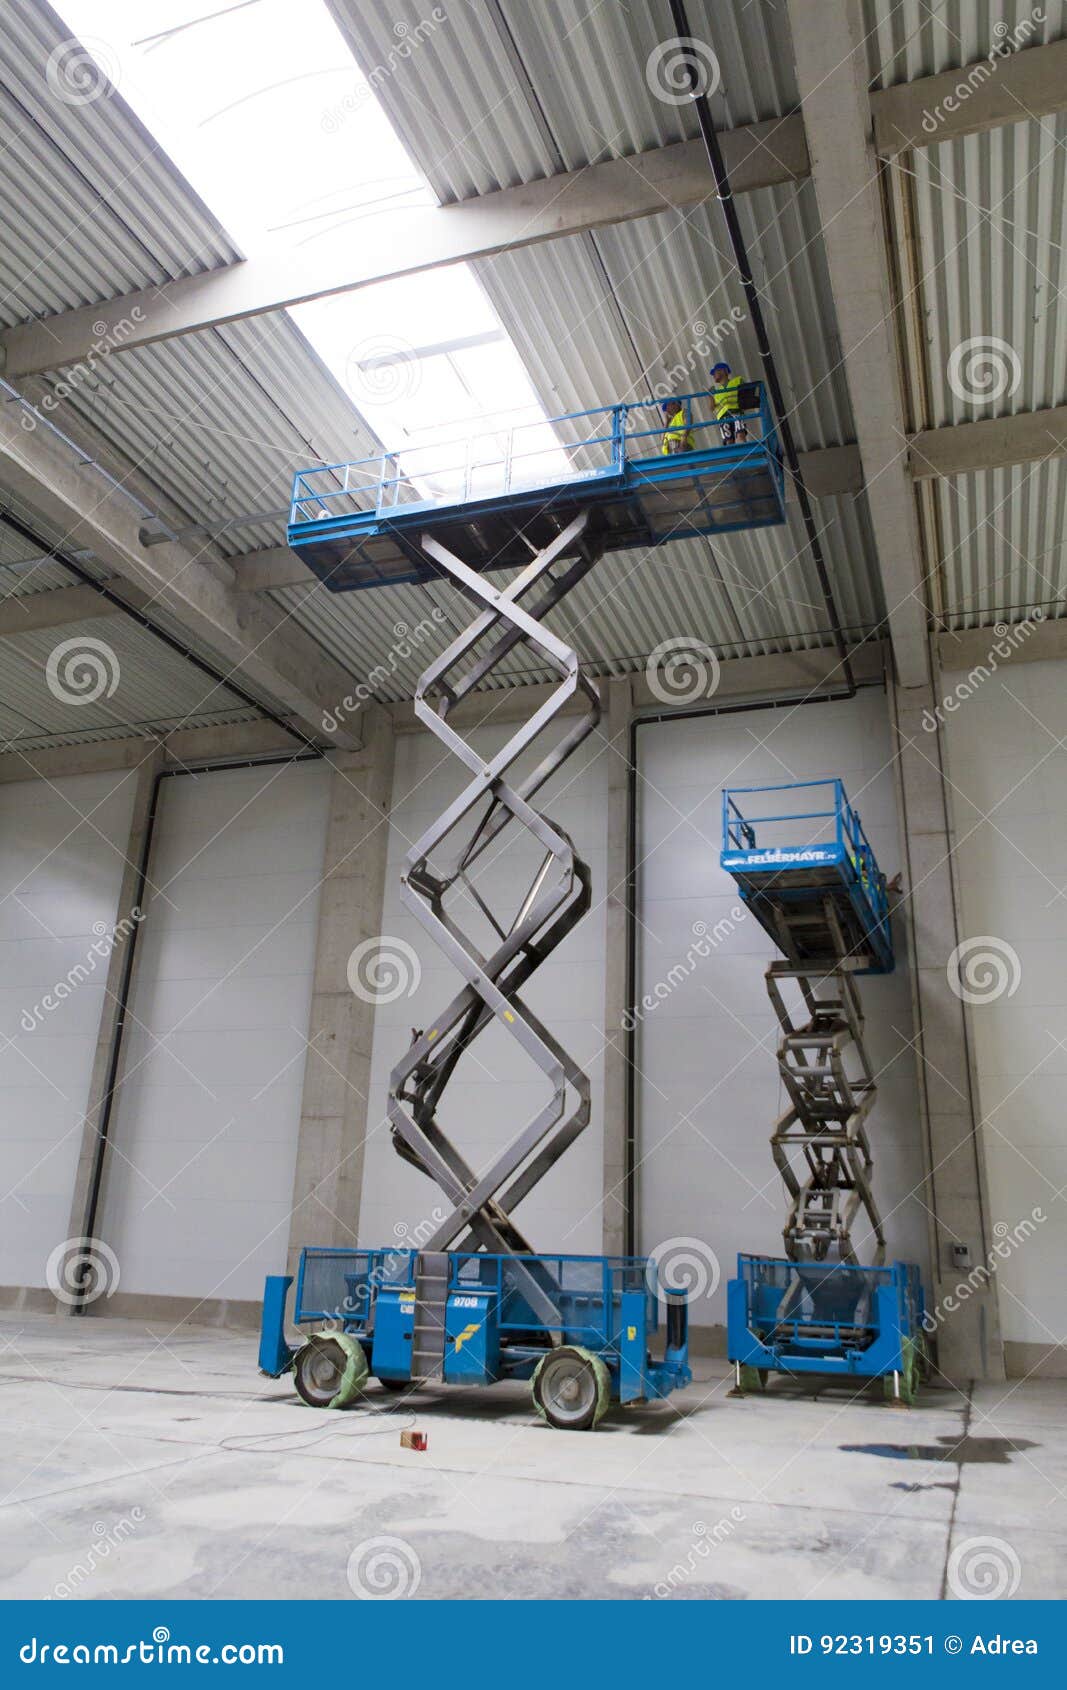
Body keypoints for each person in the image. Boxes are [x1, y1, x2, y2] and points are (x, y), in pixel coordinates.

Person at [711, 361, 747, 445]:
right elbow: (712, 408)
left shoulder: (737, 381)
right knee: (729, 441)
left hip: (736, 412)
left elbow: (747, 394)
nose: (713, 376)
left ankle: (744, 453)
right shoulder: (716, 392)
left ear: (723, 371)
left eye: (715, 372)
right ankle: (734, 458)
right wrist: (710, 396)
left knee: (740, 435)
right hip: (723, 417)